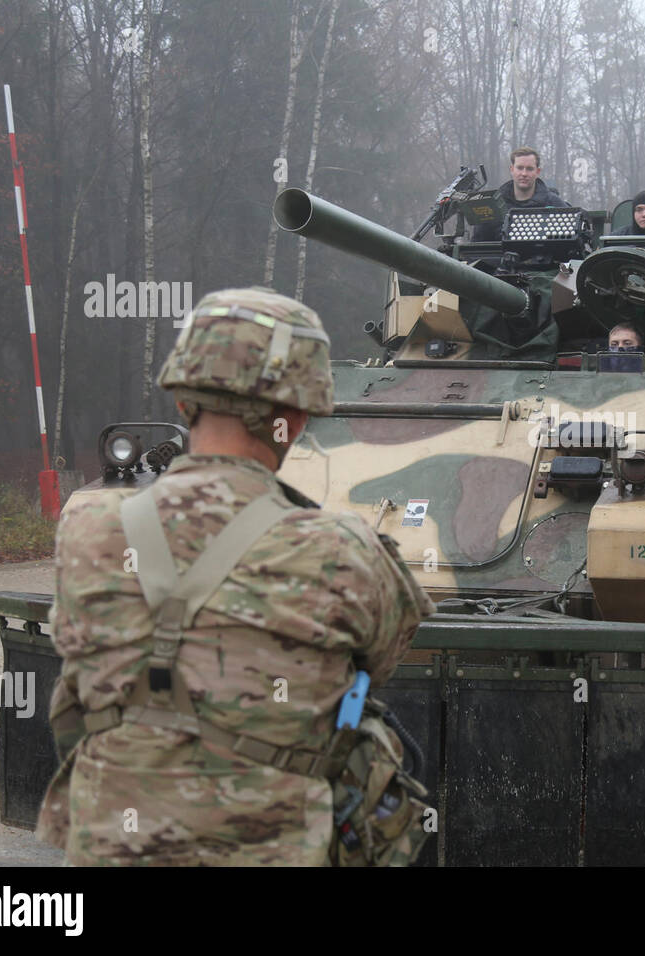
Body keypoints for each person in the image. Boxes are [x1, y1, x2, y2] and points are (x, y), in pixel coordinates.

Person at [35, 287, 436, 865]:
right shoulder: (347, 551)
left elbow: (75, 687)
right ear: (294, 420)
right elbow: (377, 668)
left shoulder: (89, 529)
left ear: (182, 401)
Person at [471, 147, 568, 241]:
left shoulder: (554, 204)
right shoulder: (493, 206)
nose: (524, 173)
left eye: (529, 169)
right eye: (520, 168)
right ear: (512, 169)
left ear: (537, 172)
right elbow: (477, 246)